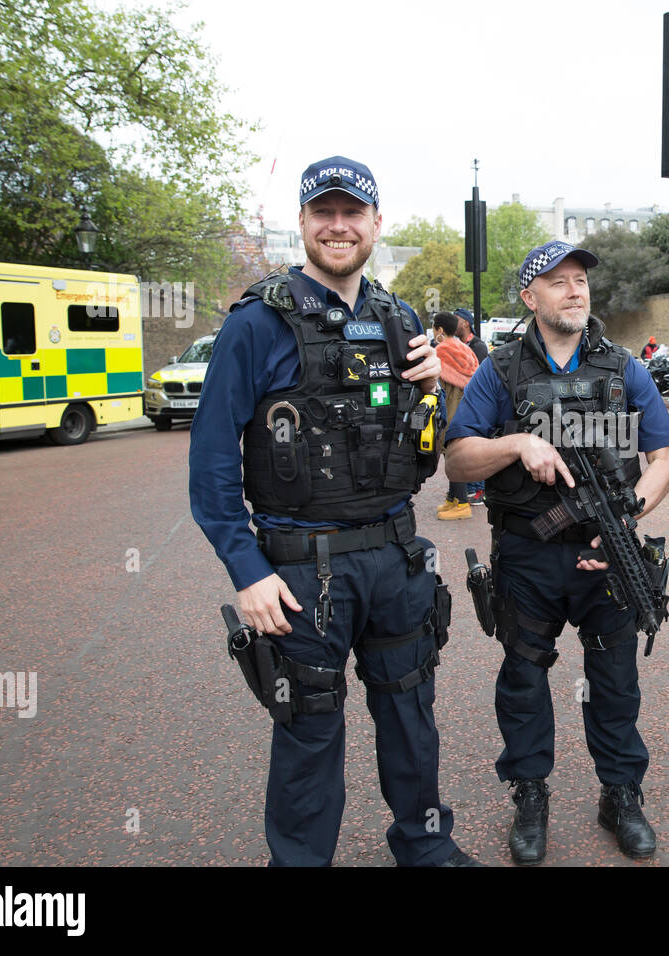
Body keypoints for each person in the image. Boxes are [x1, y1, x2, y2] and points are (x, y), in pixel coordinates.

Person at [188, 155, 476, 867]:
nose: (339, 226)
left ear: (377, 224)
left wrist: (435, 392)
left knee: (411, 715)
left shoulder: (399, 317)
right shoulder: (257, 324)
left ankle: (425, 846)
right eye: (325, 213)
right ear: (304, 223)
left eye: (354, 213)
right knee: (309, 727)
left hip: (397, 558)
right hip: (300, 569)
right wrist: (245, 568)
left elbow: (425, 451)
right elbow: (212, 463)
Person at [444, 240, 669, 864]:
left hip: (608, 551)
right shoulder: (499, 371)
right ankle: (530, 793)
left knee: (615, 680)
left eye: (581, 280)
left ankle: (621, 794)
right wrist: (518, 443)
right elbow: (460, 456)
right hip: (529, 555)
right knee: (523, 678)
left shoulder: (624, 369)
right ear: (530, 298)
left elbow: (665, 459)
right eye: (558, 282)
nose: (575, 291)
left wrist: (629, 516)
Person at [433, 311, 479, 520]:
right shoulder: (464, 348)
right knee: (455, 449)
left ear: (440, 330)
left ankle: (461, 503)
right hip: (466, 404)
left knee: (451, 451)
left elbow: (438, 384)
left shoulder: (441, 351)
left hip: (450, 405)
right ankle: (454, 498)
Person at [452, 308, 488, 505]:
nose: (454, 323)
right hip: (464, 403)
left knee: (476, 444)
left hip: (477, 404)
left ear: (466, 323)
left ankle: (478, 489)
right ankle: (470, 485)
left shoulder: (478, 346)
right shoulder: (460, 345)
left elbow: (479, 377)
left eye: (456, 320)